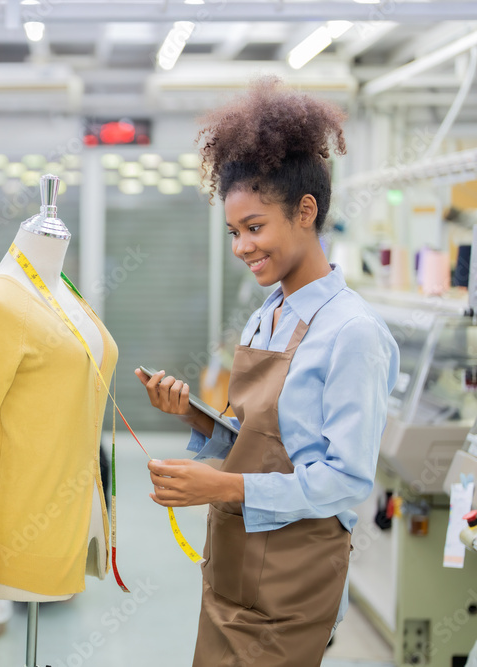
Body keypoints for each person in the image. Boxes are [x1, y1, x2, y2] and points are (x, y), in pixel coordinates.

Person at [136, 77, 399, 667]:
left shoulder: (352, 333)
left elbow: (345, 479)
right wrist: (196, 418)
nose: (241, 247)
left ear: (305, 211)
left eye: (254, 228)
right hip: (233, 563)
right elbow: (259, 442)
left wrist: (222, 487)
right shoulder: (266, 316)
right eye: (234, 232)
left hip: (292, 581)